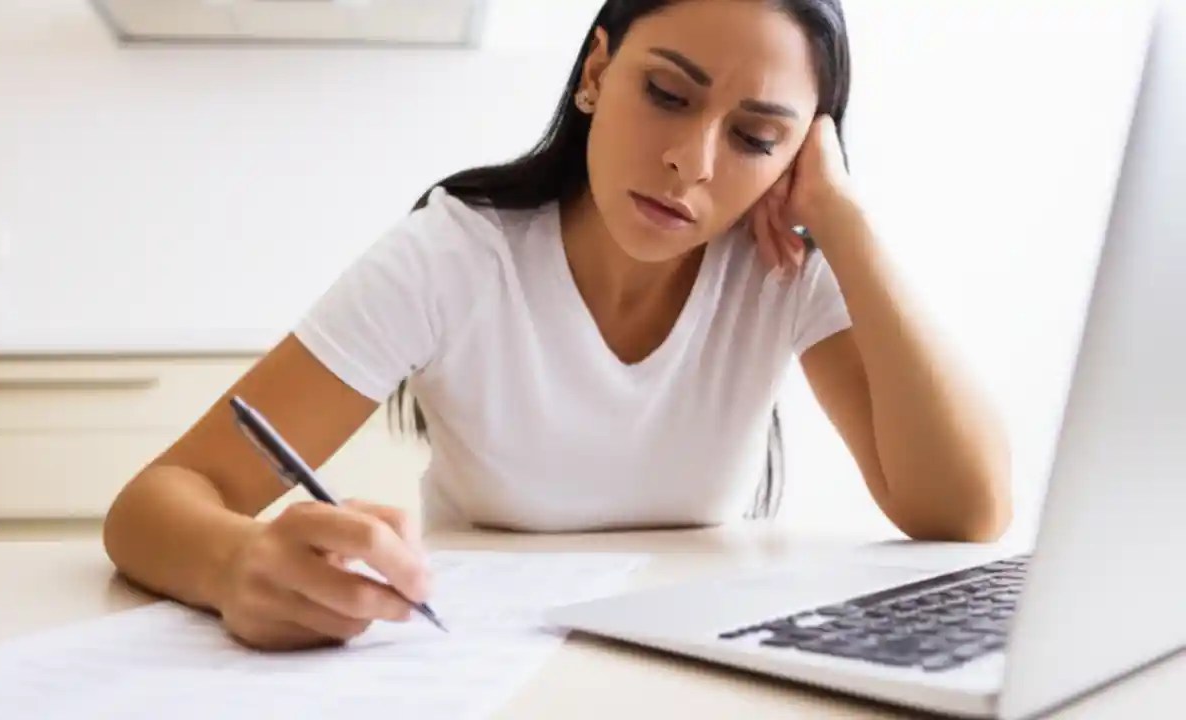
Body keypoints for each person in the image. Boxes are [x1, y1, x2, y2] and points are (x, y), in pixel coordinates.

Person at [102, 0, 1011, 652]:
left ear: (802, 155)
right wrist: (237, 564)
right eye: (667, 93)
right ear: (596, 73)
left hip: (692, 662)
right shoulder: (454, 254)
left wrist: (845, 223)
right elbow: (155, 502)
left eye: (755, 138)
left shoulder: (779, 267)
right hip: (475, 660)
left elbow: (965, 511)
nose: (690, 162)